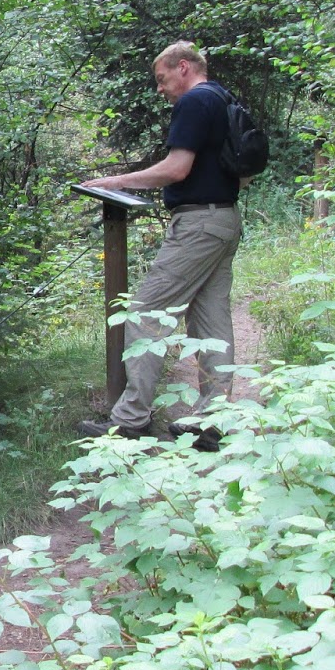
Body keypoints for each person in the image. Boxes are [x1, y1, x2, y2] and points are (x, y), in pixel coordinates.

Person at [78, 41, 243, 445]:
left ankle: (130, 420)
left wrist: (115, 180)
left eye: (162, 78)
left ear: (183, 67)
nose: (160, 88)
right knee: (211, 322)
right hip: (224, 218)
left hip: (199, 225)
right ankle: (212, 422)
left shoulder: (194, 103)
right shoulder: (224, 99)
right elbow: (243, 169)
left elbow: (176, 168)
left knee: (144, 314)